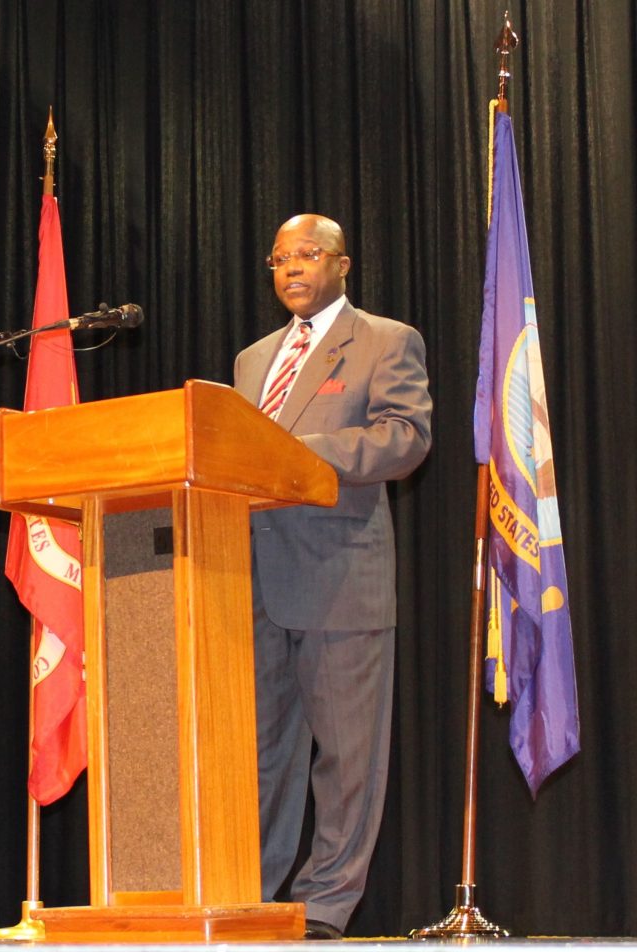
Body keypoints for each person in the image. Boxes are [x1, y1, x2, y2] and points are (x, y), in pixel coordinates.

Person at [233, 214, 432, 938]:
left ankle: (323, 906)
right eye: (280, 258)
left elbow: (406, 436)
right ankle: (252, 898)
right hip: (255, 579)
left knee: (347, 762)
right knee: (261, 755)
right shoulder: (252, 359)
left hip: (342, 577)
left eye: (308, 255)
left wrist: (300, 451)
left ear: (342, 264)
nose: (292, 268)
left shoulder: (386, 340)